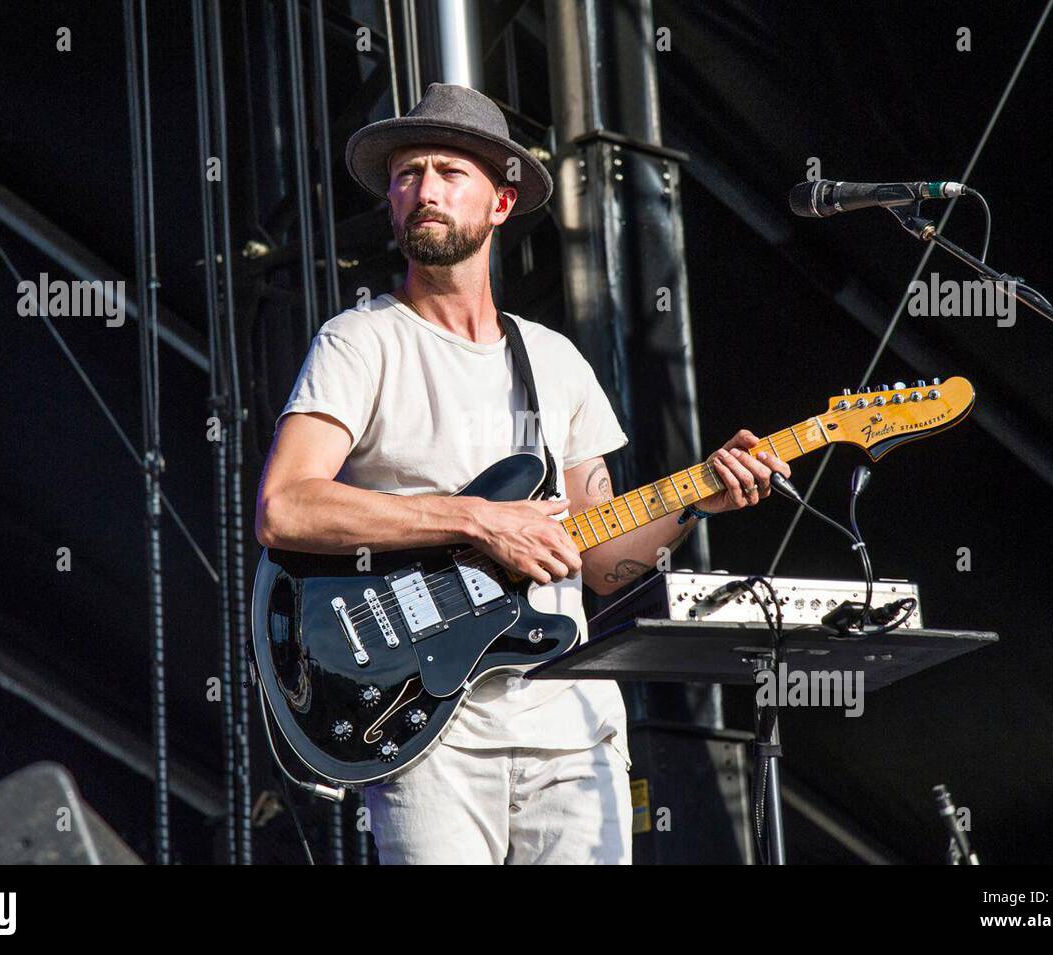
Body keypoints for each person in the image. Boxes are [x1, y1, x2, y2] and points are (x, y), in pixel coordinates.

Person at [255, 83, 790, 864]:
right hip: (426, 732)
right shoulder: (360, 341)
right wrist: (476, 518)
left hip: (573, 731)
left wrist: (702, 493)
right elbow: (286, 507)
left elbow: (604, 561)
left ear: (502, 203)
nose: (423, 190)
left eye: (448, 171)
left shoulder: (554, 360)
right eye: (407, 173)